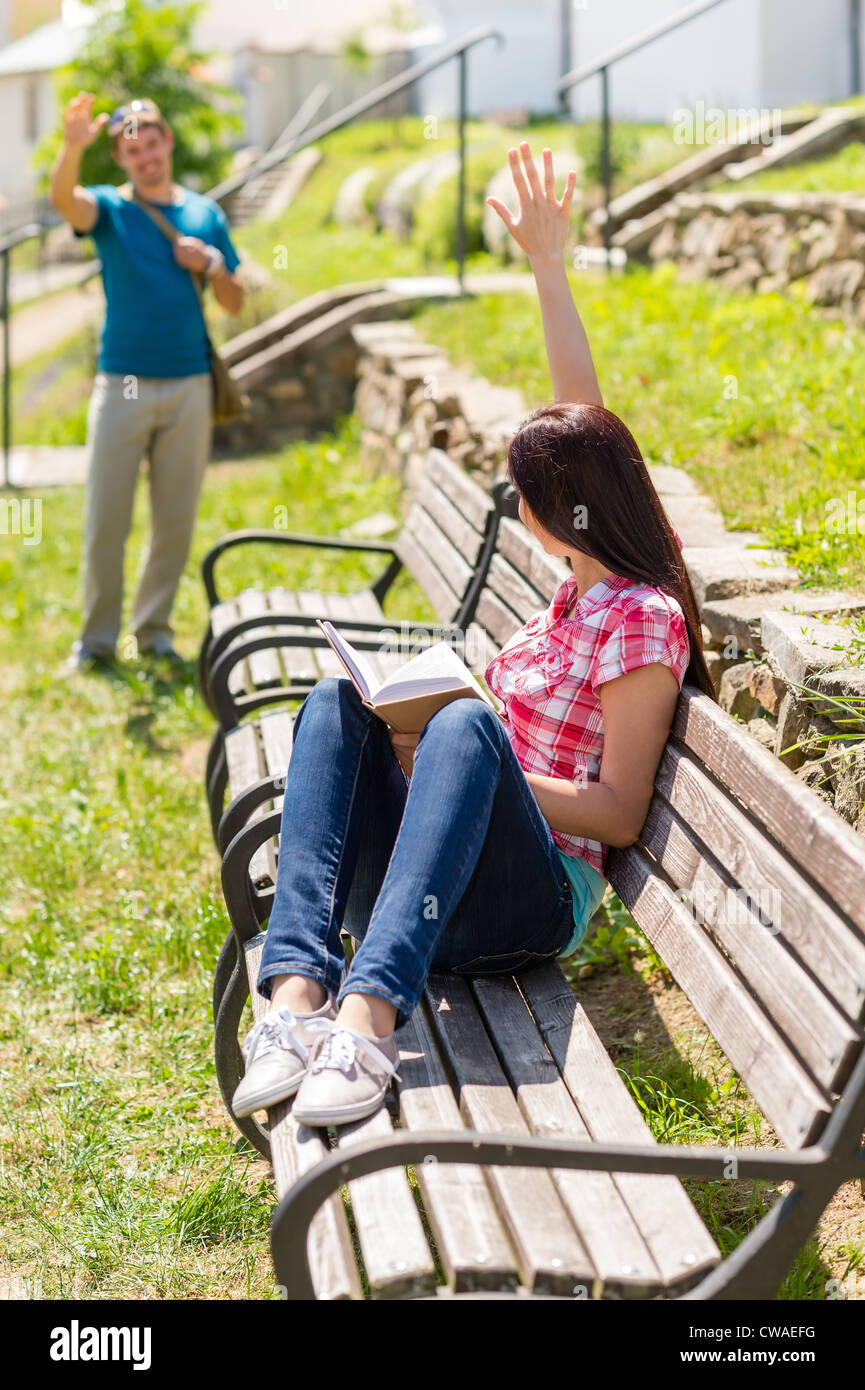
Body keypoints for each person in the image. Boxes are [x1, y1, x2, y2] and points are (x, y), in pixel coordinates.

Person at [231, 142, 717, 1129]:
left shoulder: (642, 617)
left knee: (462, 728)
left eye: (525, 493)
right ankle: (292, 1003)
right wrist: (547, 264)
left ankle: (365, 1028)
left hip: (525, 907)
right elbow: (584, 424)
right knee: (338, 700)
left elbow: (619, 815)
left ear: (562, 509)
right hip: (437, 876)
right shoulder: (573, 588)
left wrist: (470, 751)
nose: (516, 502)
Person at [50, 93, 245, 671]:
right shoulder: (110, 210)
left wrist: (209, 264)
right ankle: (96, 641)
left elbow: (234, 301)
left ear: (168, 143)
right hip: (123, 385)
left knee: (174, 519)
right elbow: (65, 201)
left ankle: (154, 631)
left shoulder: (206, 214)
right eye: (132, 150)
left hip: (188, 385)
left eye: (151, 143)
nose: (145, 157)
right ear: (122, 158)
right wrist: (70, 147)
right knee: (105, 516)